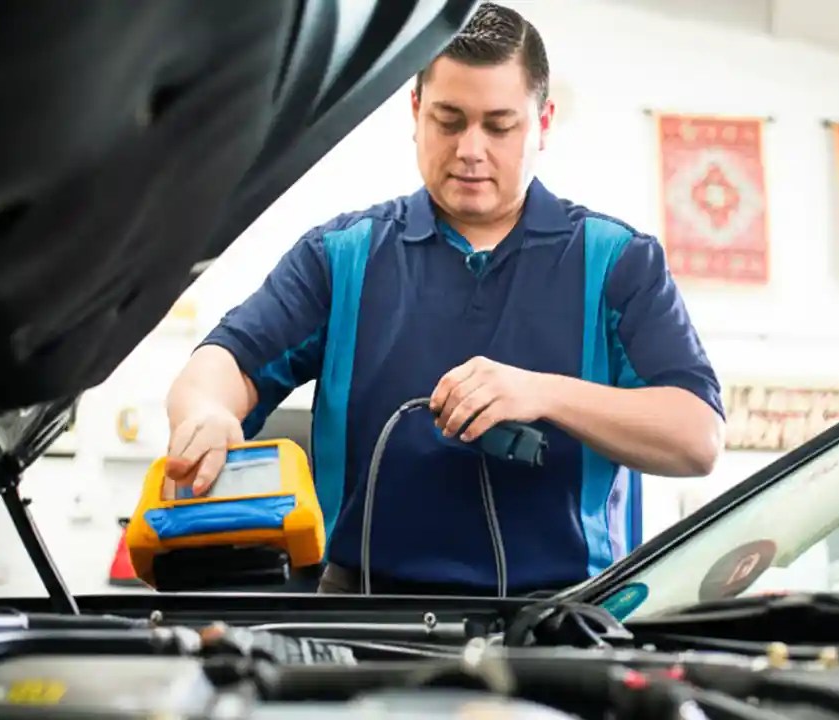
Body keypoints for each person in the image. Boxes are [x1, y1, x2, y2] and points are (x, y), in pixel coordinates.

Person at [165, 2, 725, 596]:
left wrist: (543, 393)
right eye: (449, 120)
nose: (470, 149)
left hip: (561, 621)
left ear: (545, 121)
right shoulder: (342, 256)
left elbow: (697, 437)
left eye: (500, 125)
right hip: (364, 616)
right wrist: (204, 412)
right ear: (415, 112)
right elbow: (222, 363)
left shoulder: (616, 261)